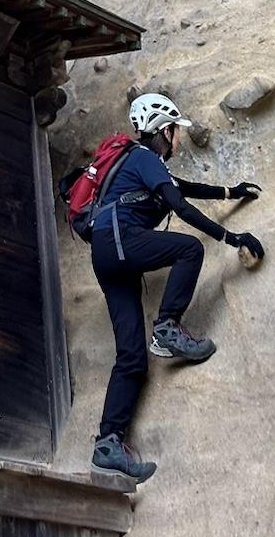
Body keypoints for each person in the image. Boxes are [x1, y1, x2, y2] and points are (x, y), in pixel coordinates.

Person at [89, 91, 265, 483]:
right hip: (119, 241)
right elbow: (180, 206)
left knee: (131, 358)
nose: (179, 138)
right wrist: (231, 237)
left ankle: (107, 445)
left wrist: (229, 192)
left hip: (108, 254)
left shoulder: (142, 165)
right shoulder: (143, 158)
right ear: (163, 130)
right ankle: (168, 327)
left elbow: (180, 188)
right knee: (188, 249)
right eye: (176, 130)